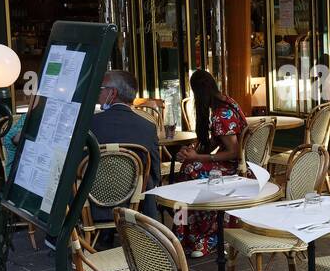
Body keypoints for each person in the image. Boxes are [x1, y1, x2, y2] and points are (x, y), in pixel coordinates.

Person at [174, 69, 246, 257]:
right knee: (189, 167)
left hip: (235, 168)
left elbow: (234, 152)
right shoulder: (227, 102)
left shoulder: (220, 114)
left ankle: (197, 235)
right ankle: (190, 233)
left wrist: (197, 158)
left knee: (189, 171)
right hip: (239, 165)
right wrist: (194, 152)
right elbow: (218, 140)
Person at [90, 70, 161, 215]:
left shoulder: (89, 124)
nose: (98, 93)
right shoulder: (148, 127)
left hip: (93, 207)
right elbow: (155, 172)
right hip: (135, 206)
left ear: (113, 93)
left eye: (101, 89)